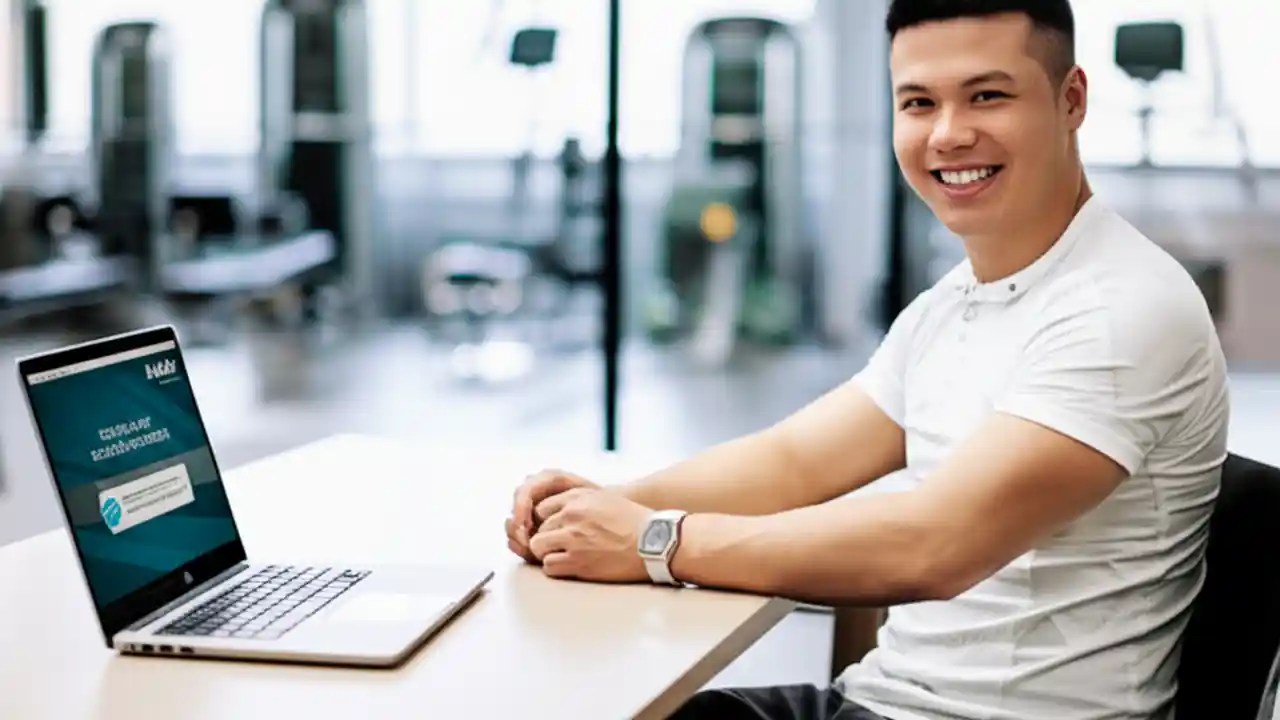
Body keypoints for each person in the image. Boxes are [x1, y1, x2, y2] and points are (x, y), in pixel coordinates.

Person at [505, 0, 1230, 717]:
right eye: (918, 103)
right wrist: (603, 507)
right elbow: (796, 461)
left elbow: (935, 547)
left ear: (1070, 99)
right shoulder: (954, 303)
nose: (948, 134)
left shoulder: (1122, 308)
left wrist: (653, 541)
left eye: (987, 95)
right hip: (883, 703)